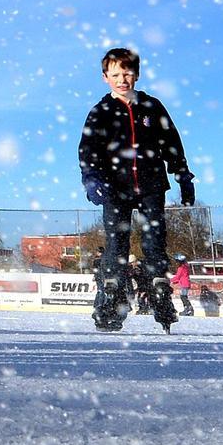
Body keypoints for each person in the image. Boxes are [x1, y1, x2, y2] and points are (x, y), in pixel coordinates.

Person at [77, 47, 192, 332]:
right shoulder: (101, 112)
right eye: (115, 74)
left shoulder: (152, 107)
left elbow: (171, 142)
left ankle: (160, 294)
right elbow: (88, 149)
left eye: (127, 73)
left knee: (154, 242)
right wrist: (91, 177)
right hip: (114, 187)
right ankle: (110, 302)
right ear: (105, 77)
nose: (122, 79)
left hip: (151, 185)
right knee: (117, 244)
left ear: (137, 75)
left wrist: (181, 174)